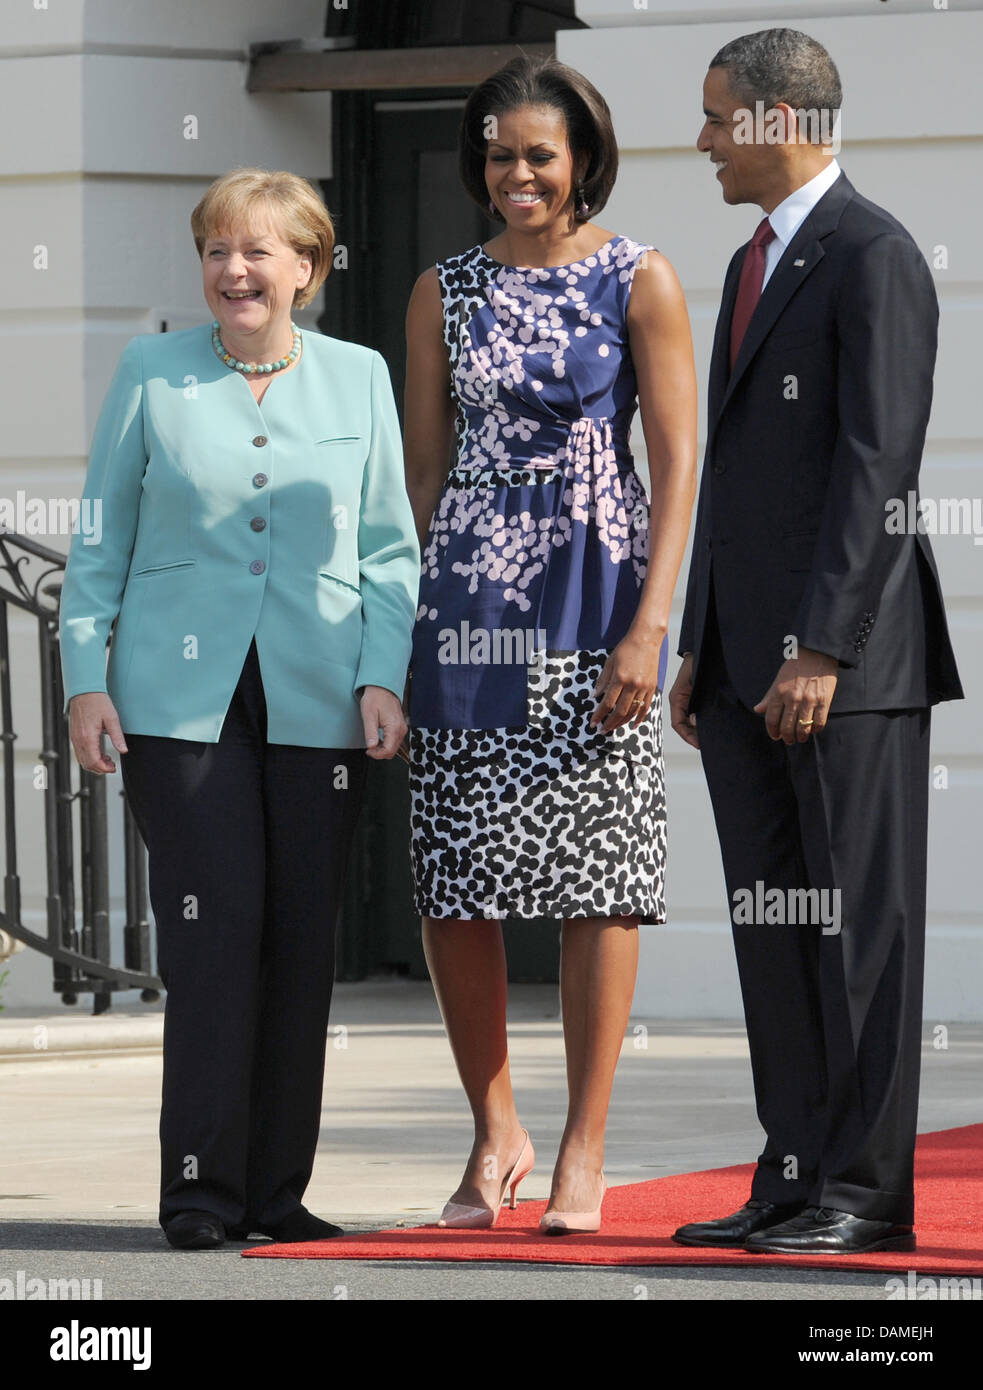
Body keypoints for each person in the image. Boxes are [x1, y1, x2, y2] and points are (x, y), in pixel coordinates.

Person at [59, 168, 420, 1250]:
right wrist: (86, 674)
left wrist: (383, 672)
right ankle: (200, 1191)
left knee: (301, 944)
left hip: (323, 701)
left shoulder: (357, 379)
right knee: (216, 940)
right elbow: (98, 538)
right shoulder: (150, 374)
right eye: (218, 249)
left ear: (306, 269)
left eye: (259, 250)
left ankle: (275, 1193)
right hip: (179, 707)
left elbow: (390, 548)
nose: (234, 269)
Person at [669, 30, 963, 1255]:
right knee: (775, 927)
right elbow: (733, 477)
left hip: (842, 666)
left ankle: (861, 1191)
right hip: (742, 663)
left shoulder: (874, 253)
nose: (701, 141)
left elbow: (876, 468)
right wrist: (702, 643)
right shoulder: (747, 260)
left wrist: (819, 650)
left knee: (854, 935)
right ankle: (789, 1174)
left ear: (781, 121)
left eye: (717, 117)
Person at [403, 56, 697, 1234]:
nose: (515, 173)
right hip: (467, 604)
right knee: (457, 876)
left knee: (597, 876)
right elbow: (421, 472)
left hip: (597, 595)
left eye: (536, 153)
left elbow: (676, 466)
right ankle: (493, 1137)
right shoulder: (442, 287)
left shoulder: (640, 275)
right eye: (495, 153)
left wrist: (650, 625)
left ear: (581, 158)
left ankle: (584, 1147)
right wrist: (419, 611)